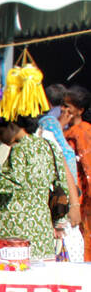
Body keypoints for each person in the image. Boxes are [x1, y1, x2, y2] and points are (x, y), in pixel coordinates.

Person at [0, 115, 62, 261]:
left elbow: (14, 182)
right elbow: (61, 183)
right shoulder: (50, 147)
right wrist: (60, 222)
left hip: (15, 221)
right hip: (42, 222)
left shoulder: (18, 149)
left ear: (13, 126)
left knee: (15, 270)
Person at [60, 86, 91, 260]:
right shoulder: (64, 130)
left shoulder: (84, 132)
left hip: (82, 200)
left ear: (80, 110)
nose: (64, 109)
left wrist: (78, 204)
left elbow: (88, 167)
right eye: (63, 105)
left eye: (68, 106)